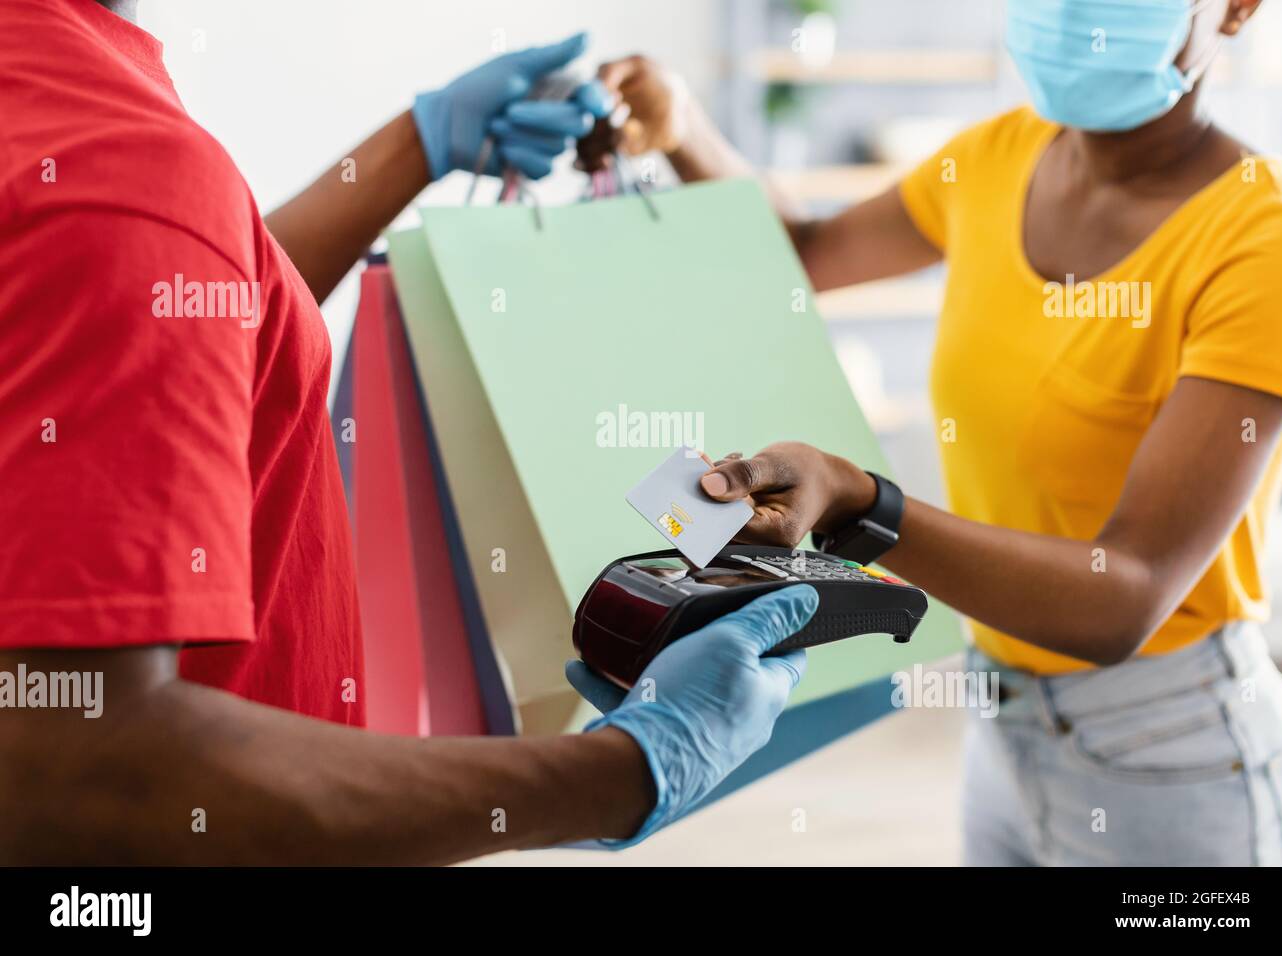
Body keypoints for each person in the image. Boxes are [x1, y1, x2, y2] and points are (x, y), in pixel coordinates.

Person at [0, 0, 815, 864]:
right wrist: (628, 771)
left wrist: (414, 145)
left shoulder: (57, 111)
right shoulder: (117, 165)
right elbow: (76, 769)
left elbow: (160, 333)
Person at [594, 0, 1282, 865]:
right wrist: (683, 124)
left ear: (1234, 10)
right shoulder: (999, 155)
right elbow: (808, 252)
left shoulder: (1270, 240)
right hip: (1001, 720)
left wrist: (863, 506)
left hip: (1179, 758)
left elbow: (1125, 595)